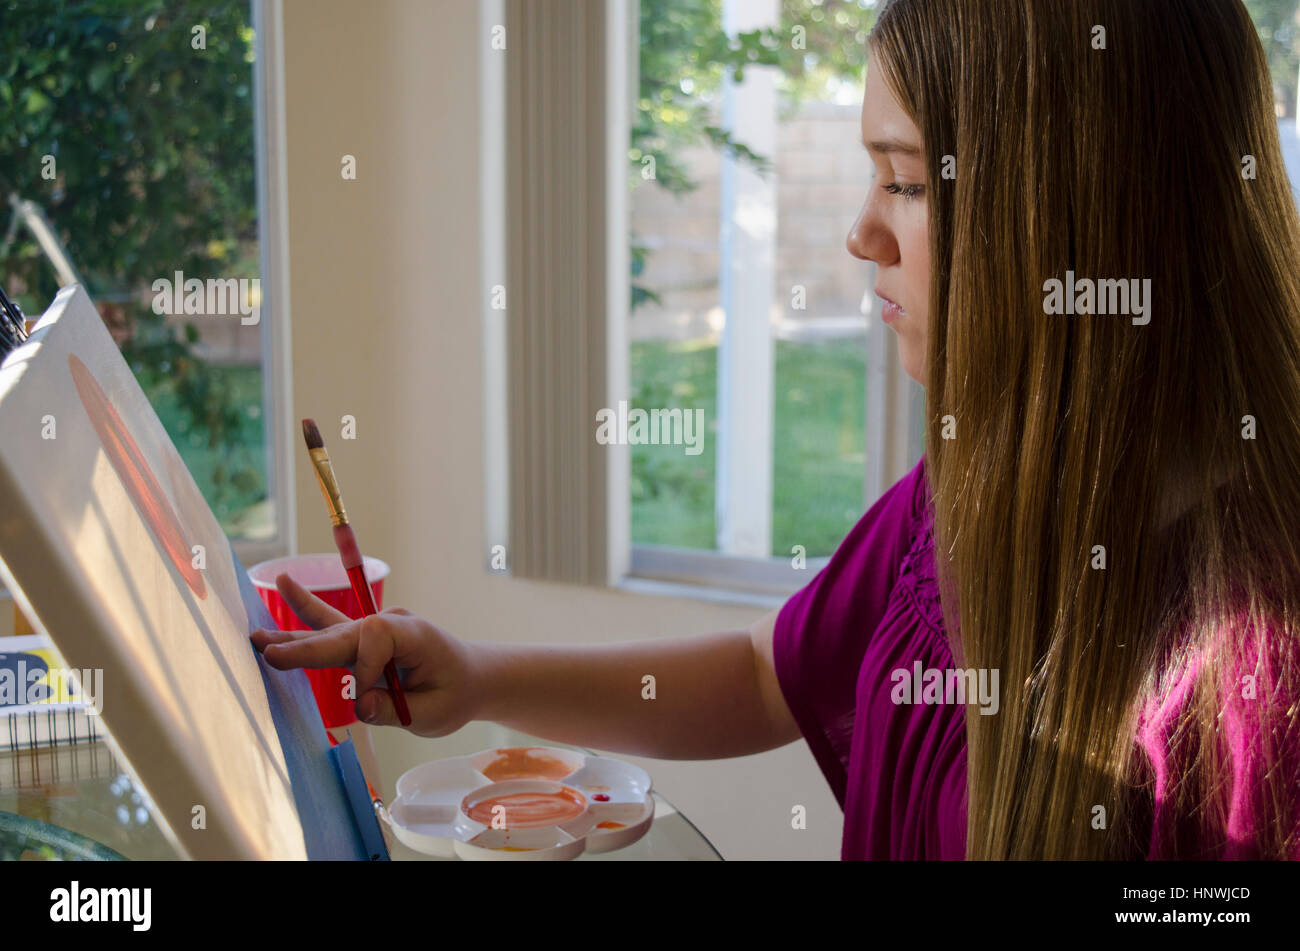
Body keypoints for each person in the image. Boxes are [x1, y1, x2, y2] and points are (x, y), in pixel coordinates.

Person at [252, 0, 1300, 860]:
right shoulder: (961, 499)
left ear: (1071, 216)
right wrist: (476, 677)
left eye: (902, 180)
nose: (860, 230)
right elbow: (770, 673)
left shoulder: (1248, 684)